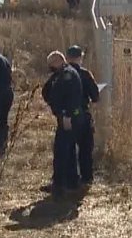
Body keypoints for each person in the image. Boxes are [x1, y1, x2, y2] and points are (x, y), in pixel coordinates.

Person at [41, 50, 84, 195]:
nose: (50, 68)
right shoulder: (60, 74)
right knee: (68, 150)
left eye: (51, 64)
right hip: (66, 117)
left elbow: (72, 98)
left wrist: (66, 115)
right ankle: (70, 183)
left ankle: (60, 184)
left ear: (58, 61)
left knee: (62, 150)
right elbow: (48, 91)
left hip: (69, 118)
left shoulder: (68, 75)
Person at [66, 45, 100, 186]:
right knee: (85, 148)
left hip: (66, 117)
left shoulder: (61, 73)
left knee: (67, 148)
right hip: (83, 115)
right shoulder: (85, 74)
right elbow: (95, 96)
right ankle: (86, 178)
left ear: (67, 57)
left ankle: (69, 179)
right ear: (80, 57)